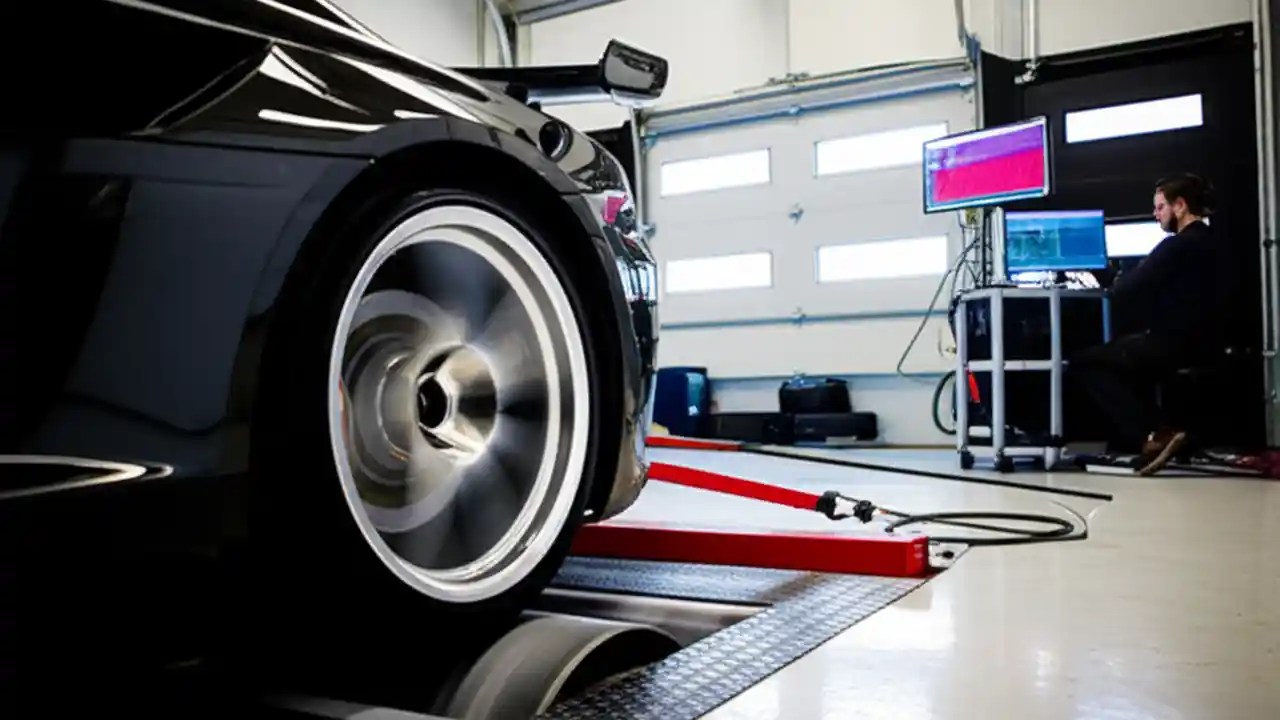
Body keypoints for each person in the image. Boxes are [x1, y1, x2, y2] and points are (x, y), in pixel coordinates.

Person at [1069, 173, 1231, 475]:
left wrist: (1104, 276)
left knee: (1084, 362)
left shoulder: (1175, 245)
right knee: (1125, 355)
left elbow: (1125, 289)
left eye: (1160, 208)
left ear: (1180, 206)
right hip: (1211, 344)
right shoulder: (1216, 243)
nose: (1156, 215)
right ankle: (1164, 437)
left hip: (1173, 344)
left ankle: (1156, 434)